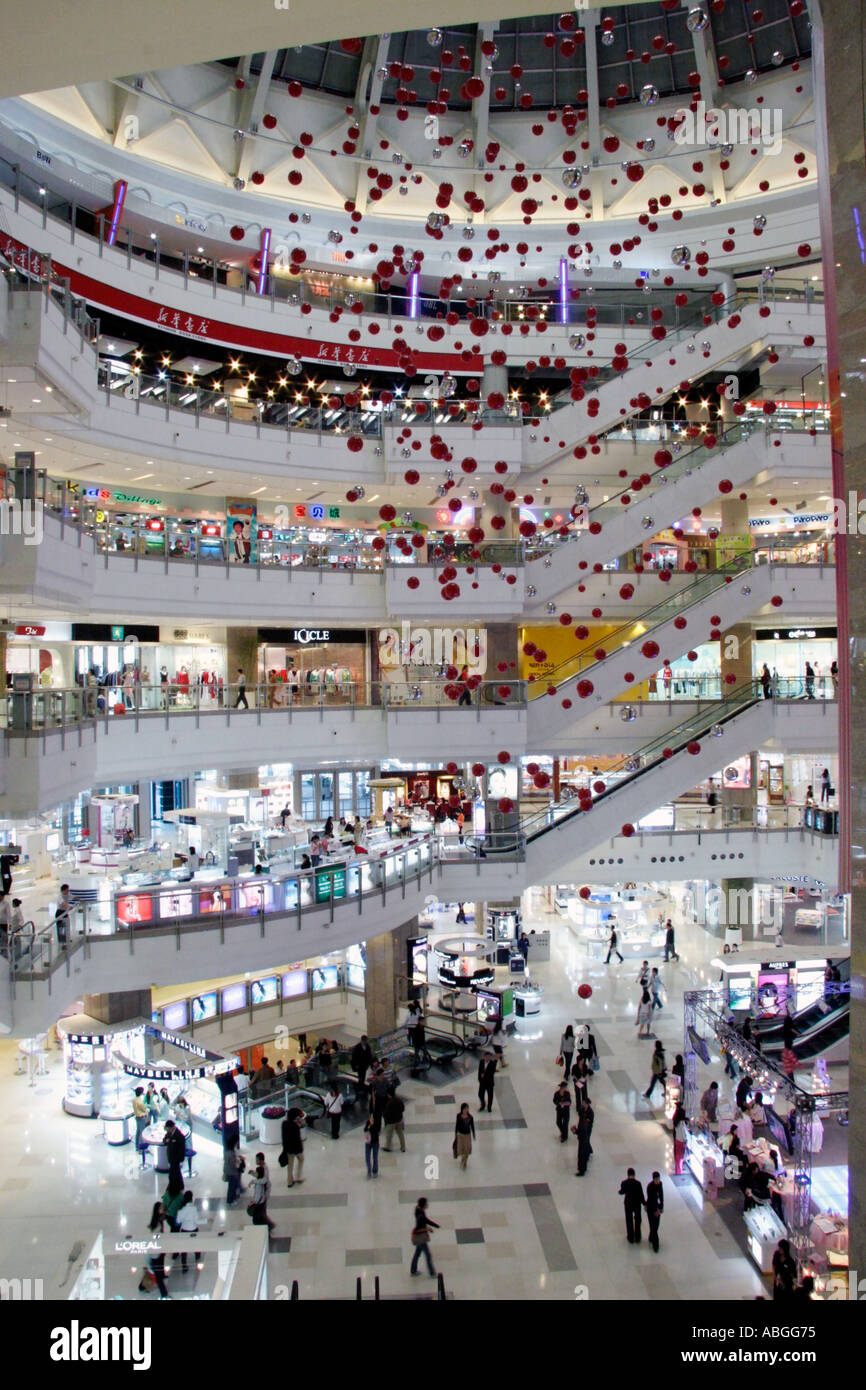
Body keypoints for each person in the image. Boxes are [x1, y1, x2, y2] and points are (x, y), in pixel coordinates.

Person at [140, 1202, 170, 1299]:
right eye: (161, 1208)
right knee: (157, 1274)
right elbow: (155, 1238)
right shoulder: (156, 1224)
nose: (162, 1209)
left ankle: (160, 1278)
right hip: (156, 1252)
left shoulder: (159, 1220)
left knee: (158, 1270)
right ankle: (164, 1294)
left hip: (159, 1250)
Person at [410, 1197, 439, 1278]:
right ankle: (432, 1273)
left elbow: (426, 1220)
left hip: (420, 1236)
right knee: (428, 1255)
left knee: (417, 1253)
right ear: (424, 1205)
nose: (427, 1204)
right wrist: (428, 1228)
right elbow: (420, 1227)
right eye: (426, 1203)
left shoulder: (419, 1211)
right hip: (421, 1237)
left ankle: (413, 1270)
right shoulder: (420, 1216)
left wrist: (435, 1225)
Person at [175, 1191, 202, 1272]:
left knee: (184, 1248)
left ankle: (184, 1265)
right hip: (193, 1229)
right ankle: (197, 1257)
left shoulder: (181, 1208)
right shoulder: (193, 1208)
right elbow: (197, 1221)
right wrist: (206, 1221)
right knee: (196, 1244)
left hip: (184, 1230)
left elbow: (178, 1220)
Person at [619, 1168, 646, 1245]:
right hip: (637, 1204)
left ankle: (630, 1237)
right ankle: (637, 1237)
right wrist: (644, 1203)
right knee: (637, 1220)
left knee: (629, 1220)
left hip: (628, 1204)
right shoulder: (638, 1183)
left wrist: (620, 1192)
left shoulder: (624, 1183)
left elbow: (622, 1191)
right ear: (634, 1175)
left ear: (628, 1175)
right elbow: (641, 1194)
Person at [280, 1106, 305, 1187]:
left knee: (290, 1165)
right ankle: (298, 1177)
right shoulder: (295, 1126)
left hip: (288, 1148)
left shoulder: (284, 1124)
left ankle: (289, 1182)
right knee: (301, 1159)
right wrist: (299, 1121)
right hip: (296, 1148)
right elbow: (302, 1125)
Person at [249, 1163, 275, 1232]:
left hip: (259, 1204)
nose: (255, 1174)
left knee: (258, 1219)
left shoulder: (258, 1184)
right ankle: (269, 1226)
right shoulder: (261, 1181)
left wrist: (253, 1202)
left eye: (256, 1173)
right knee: (262, 1216)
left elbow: (257, 1196)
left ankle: (267, 1227)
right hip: (262, 1202)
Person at [164, 1119, 186, 1198]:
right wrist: (166, 1141)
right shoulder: (169, 1133)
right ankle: (180, 1186)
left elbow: (181, 1148)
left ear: (172, 1127)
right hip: (171, 1157)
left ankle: (171, 1190)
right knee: (176, 1173)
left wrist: (181, 1158)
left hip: (176, 1158)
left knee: (172, 1174)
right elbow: (165, 1139)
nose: (167, 1130)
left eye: (168, 1128)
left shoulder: (179, 1135)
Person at [646, 1171, 664, 1252]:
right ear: (653, 1179)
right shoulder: (650, 1187)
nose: (657, 1181)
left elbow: (661, 1196)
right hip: (651, 1209)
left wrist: (661, 1207)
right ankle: (655, 1245)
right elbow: (651, 1200)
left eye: (658, 1179)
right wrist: (655, 1210)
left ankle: (651, 1237)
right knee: (653, 1226)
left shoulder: (660, 1184)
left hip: (657, 1209)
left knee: (656, 1226)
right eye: (656, 1179)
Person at [454, 1102, 476, 1169]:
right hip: (460, 1135)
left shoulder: (470, 1117)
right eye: (464, 1109)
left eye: (467, 1108)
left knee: (467, 1149)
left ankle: (465, 1161)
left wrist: (474, 1135)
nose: (466, 1110)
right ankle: (463, 1159)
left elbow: (472, 1126)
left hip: (467, 1135)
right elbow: (457, 1125)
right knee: (461, 1149)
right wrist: (455, 1134)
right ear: (462, 1109)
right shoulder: (458, 1116)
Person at [574, 1102, 593, 1176]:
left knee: (581, 1155)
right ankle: (583, 1168)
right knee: (583, 1154)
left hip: (583, 1139)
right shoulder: (583, 1121)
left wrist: (575, 1131)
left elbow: (581, 1132)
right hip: (583, 1138)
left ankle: (581, 1170)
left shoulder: (583, 1122)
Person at [223, 1138, 244, 1204]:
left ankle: (233, 1197)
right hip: (232, 1173)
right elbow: (234, 1164)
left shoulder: (226, 1152)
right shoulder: (232, 1154)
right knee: (232, 1187)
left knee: (231, 1186)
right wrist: (239, 1161)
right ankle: (230, 1200)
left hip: (227, 1171)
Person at [133, 1087, 149, 1168]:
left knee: (138, 1132)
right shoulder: (140, 1102)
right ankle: (141, 1149)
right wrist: (146, 1113)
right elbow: (144, 1109)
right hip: (141, 1117)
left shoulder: (134, 1100)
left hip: (137, 1117)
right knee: (142, 1133)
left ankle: (136, 1146)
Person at [672, 1103, 689, 1175]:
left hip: (677, 1141)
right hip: (681, 1142)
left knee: (678, 1158)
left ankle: (678, 1170)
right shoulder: (682, 1124)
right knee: (680, 1158)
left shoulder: (676, 1121)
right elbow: (684, 1136)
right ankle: (679, 1172)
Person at [54, 884, 72, 948]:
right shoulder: (60, 896)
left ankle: (67, 939)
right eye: (67, 890)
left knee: (67, 925)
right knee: (61, 928)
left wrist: (79, 899)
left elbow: (72, 897)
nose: (68, 891)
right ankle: (62, 942)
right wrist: (69, 906)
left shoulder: (67, 895)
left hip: (65, 912)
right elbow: (63, 902)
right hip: (59, 913)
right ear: (63, 890)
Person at [364, 1110, 381, 1178]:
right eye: (370, 1117)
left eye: (372, 1117)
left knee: (375, 1157)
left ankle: (375, 1171)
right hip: (368, 1143)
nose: (371, 1118)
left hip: (375, 1142)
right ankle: (369, 1171)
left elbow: (376, 1132)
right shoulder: (368, 1122)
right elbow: (365, 1129)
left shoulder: (377, 1124)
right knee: (367, 1157)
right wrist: (369, 1125)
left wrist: (371, 1126)